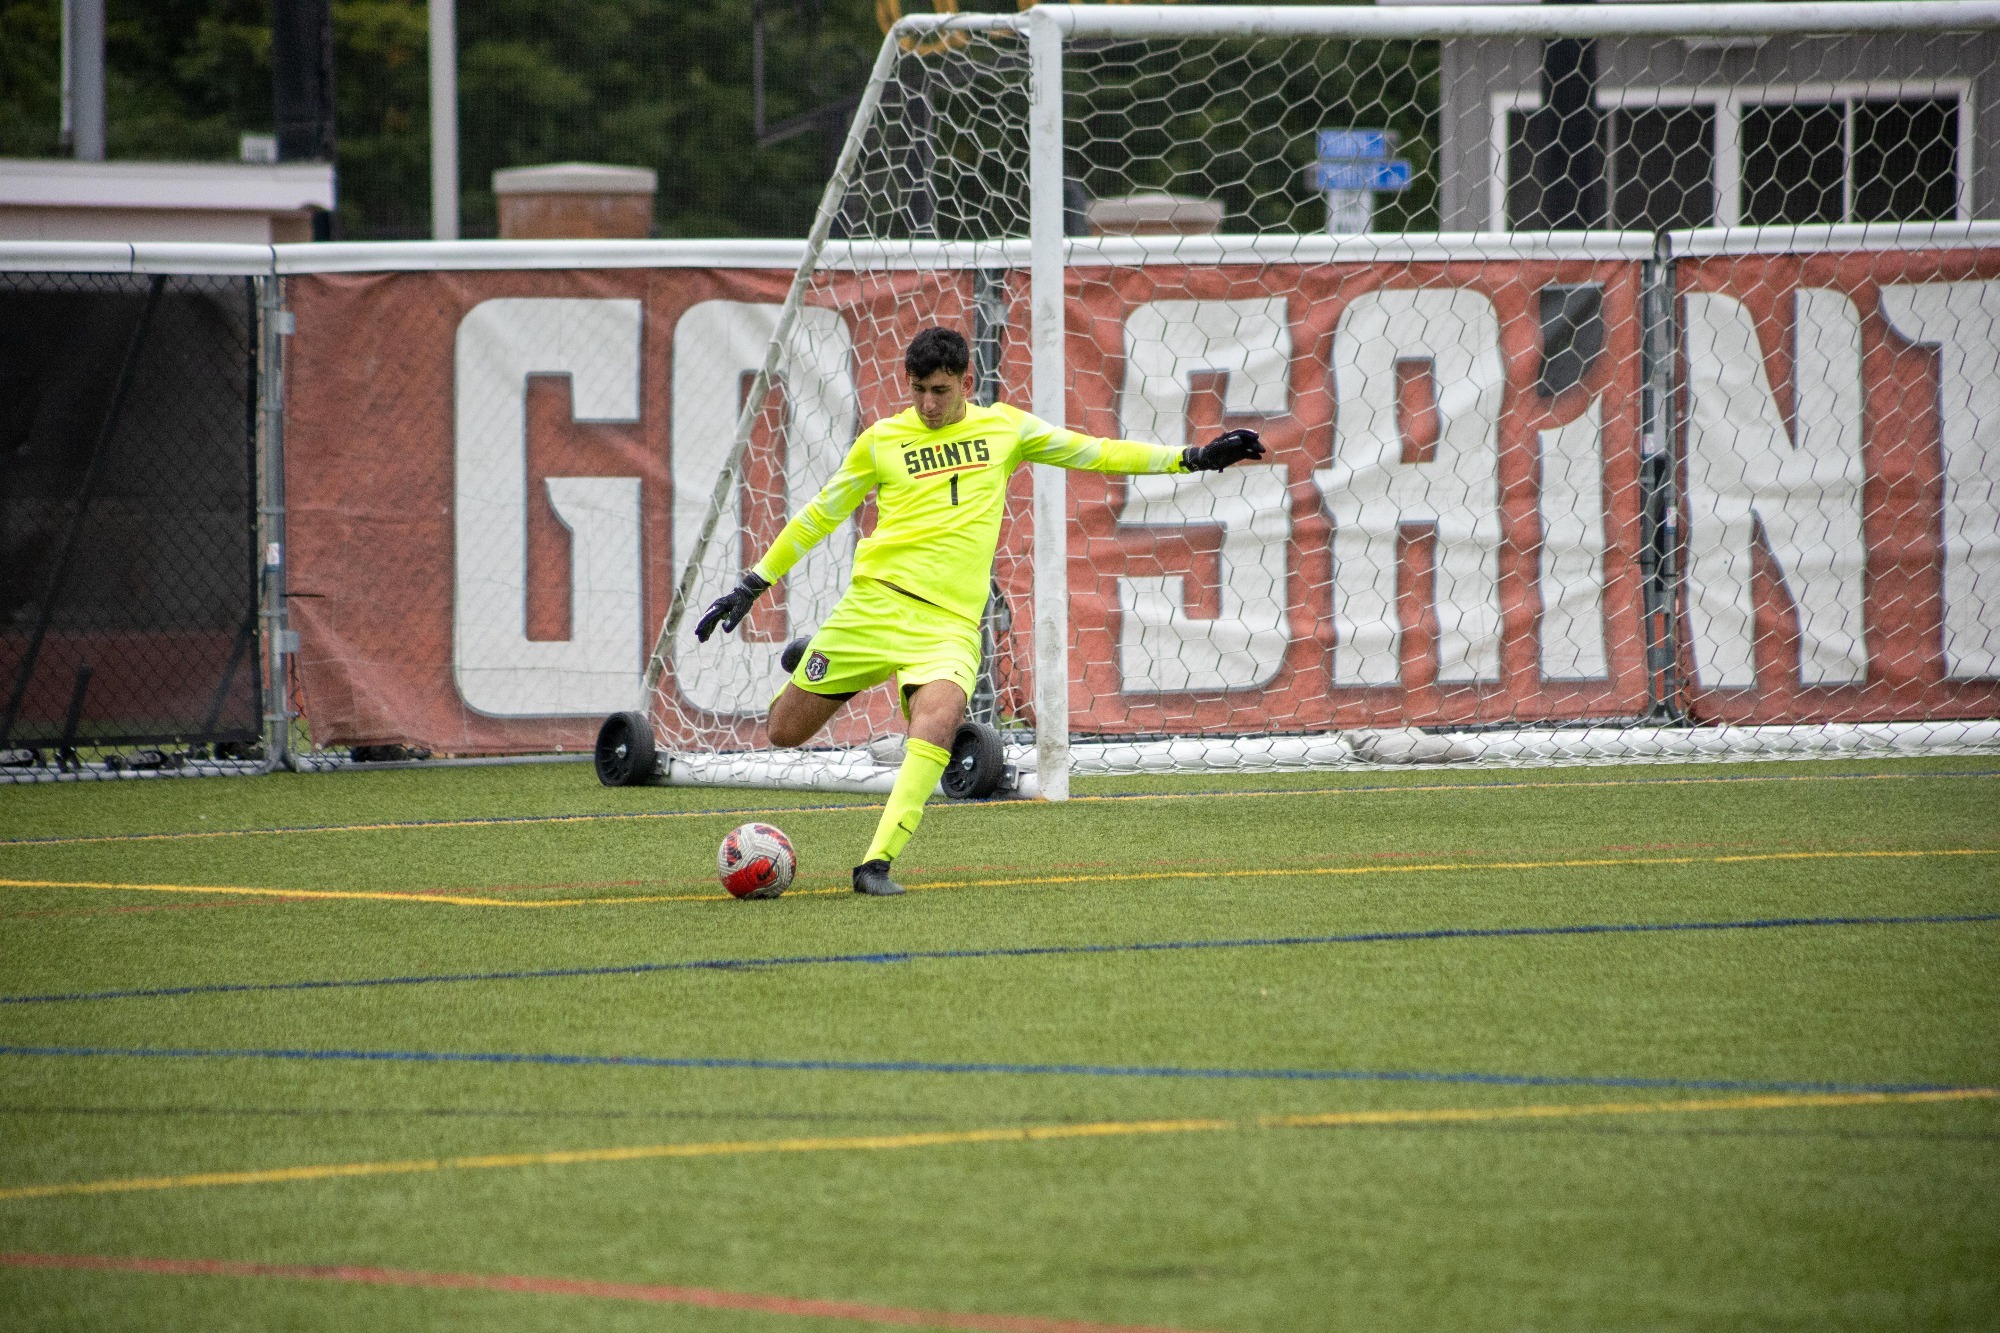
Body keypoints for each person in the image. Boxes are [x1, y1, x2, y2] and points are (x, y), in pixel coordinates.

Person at [696, 327, 1265, 897]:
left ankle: (875, 864)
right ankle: (812, 658)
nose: (927, 404)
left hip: (948, 626)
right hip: (873, 607)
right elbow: (821, 514)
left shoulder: (1004, 428)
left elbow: (1096, 452)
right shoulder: (881, 440)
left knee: (939, 720)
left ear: (967, 382)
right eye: (917, 389)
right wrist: (753, 584)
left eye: (940, 390)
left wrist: (1193, 458)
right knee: (783, 732)